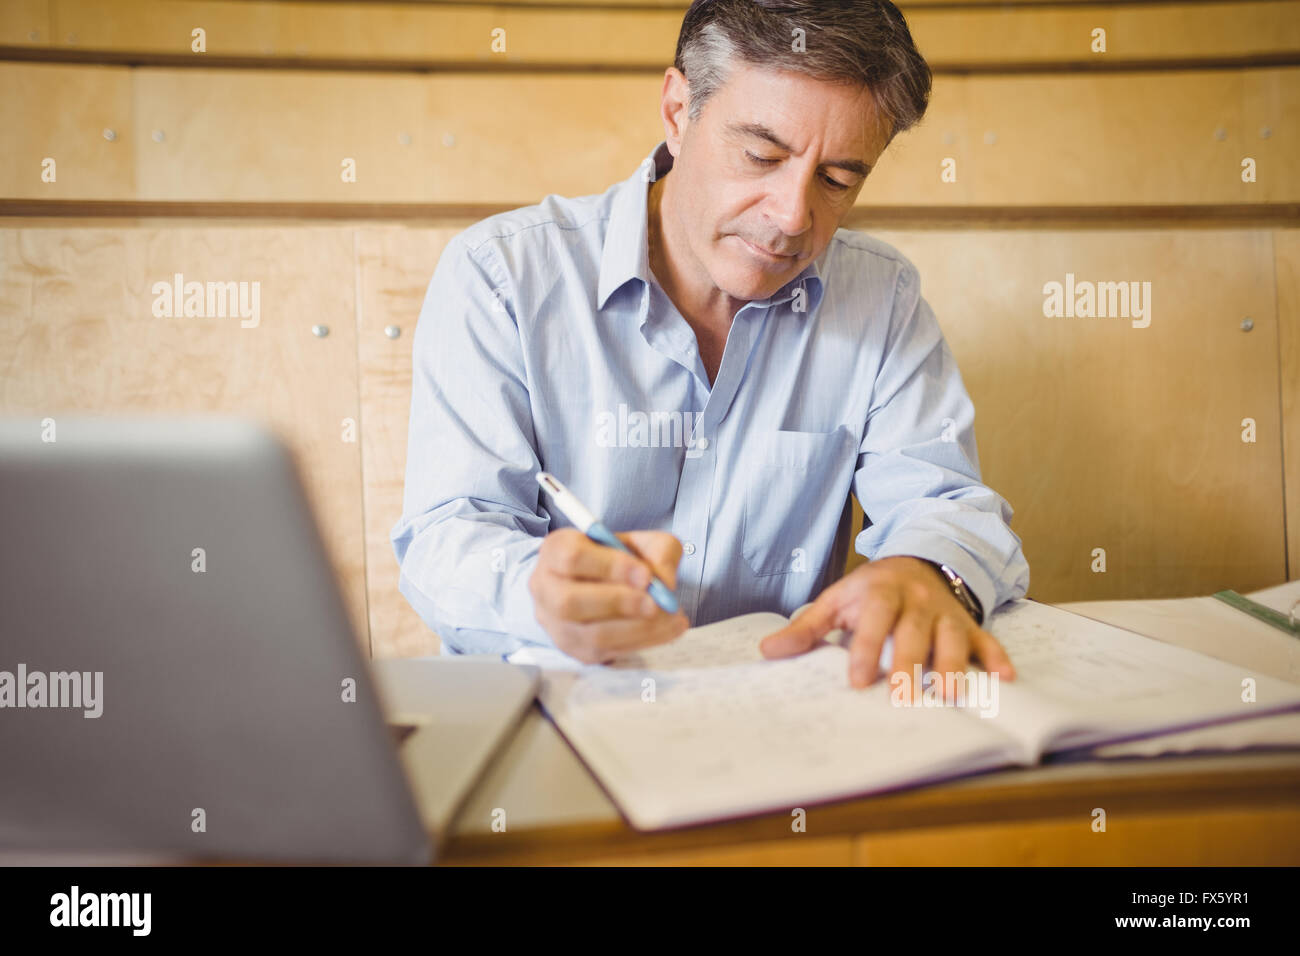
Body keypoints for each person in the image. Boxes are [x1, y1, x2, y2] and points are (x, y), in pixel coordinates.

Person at [392, 0, 1029, 694]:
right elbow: (448, 538)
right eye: (761, 155)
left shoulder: (883, 301)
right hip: (559, 716)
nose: (791, 215)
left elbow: (948, 506)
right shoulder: (502, 277)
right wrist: (534, 597)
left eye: (839, 179)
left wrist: (928, 571)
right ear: (677, 110)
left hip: (780, 728)